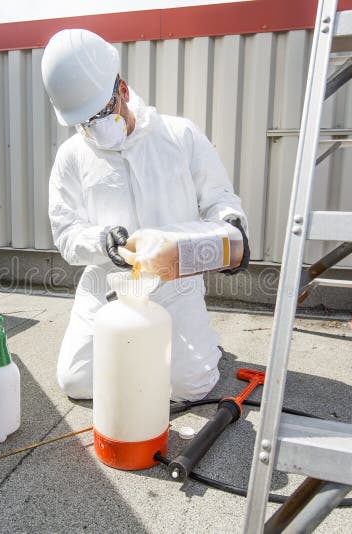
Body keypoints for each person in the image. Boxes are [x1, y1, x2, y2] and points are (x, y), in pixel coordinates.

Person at [41, 29, 250, 402]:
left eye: (102, 112)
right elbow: (67, 232)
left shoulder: (177, 135)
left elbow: (219, 200)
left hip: (175, 283)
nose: (96, 126)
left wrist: (232, 233)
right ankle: (139, 352)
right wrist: (102, 241)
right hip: (107, 285)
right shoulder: (72, 156)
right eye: (86, 121)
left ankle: (196, 347)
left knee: (191, 388)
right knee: (76, 381)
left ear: (122, 89)